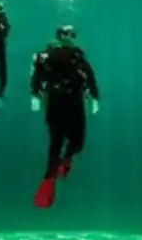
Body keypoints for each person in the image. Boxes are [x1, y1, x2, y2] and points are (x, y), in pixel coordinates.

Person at [29, 25, 100, 208]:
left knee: (77, 142)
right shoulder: (48, 55)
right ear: (60, 35)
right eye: (69, 33)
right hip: (58, 102)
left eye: (73, 34)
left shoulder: (77, 56)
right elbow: (37, 75)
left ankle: (65, 160)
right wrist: (35, 95)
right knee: (57, 141)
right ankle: (49, 175)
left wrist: (94, 96)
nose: (72, 37)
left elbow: (89, 76)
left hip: (72, 102)